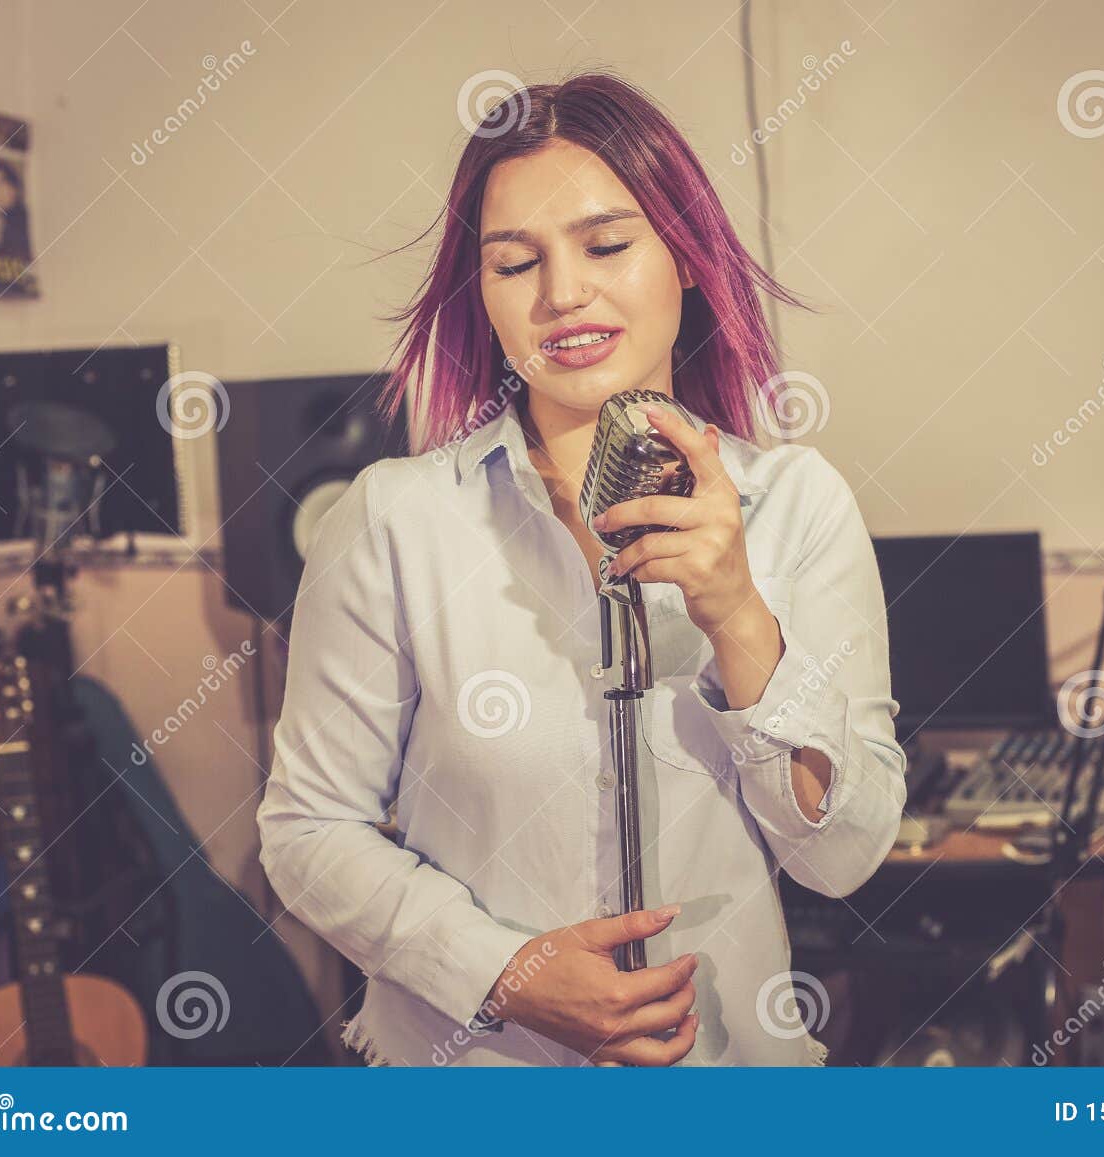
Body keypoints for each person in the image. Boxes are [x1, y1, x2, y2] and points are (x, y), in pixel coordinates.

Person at [257, 71, 906, 1067]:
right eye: (515, 263)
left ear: (686, 258)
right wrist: (500, 970)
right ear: (482, 292)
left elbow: (843, 855)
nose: (562, 294)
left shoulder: (798, 505)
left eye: (606, 245)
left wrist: (738, 613)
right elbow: (308, 831)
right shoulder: (394, 521)